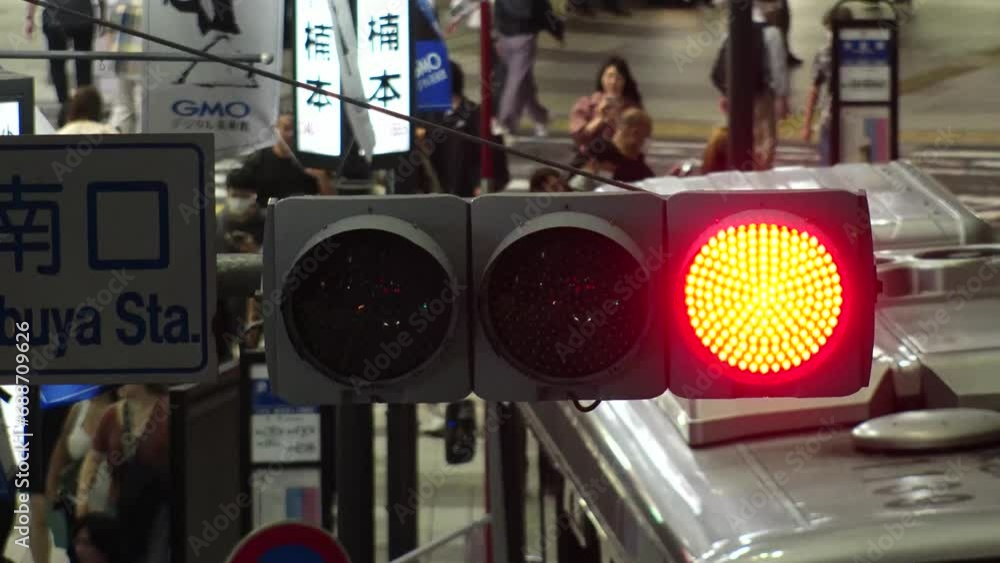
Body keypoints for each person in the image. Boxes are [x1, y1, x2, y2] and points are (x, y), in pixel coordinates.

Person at [77, 385, 171, 563]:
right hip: (119, 508)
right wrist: (82, 498)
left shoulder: (167, 409)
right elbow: (92, 459)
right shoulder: (112, 414)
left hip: (160, 510)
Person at [34, 388, 118, 563]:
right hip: (75, 504)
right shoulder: (79, 408)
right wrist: (52, 486)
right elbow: (62, 448)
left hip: (108, 508)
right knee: (75, 552)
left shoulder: (120, 411)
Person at [427, 61, 510, 197]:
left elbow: (495, 157)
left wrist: (479, 184)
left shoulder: (477, 116)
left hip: (468, 196)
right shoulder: (430, 116)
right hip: (439, 196)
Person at [227, 114, 332, 207]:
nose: (291, 134)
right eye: (286, 128)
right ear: (276, 131)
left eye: (296, 129)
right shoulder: (259, 158)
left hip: (303, 218)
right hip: (267, 219)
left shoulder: (311, 160)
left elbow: (331, 202)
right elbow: (236, 187)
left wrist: (322, 177)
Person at [493, 0, 564, 138]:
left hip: (517, 37)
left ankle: (506, 121)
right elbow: (544, 10)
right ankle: (540, 117)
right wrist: (557, 31)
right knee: (523, 81)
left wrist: (495, 34)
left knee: (516, 80)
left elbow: (542, 9)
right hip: (514, 36)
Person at [26, 0, 102, 126]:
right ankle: (83, 110)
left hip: (57, 17)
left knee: (58, 64)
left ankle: (65, 108)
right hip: (82, 16)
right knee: (82, 65)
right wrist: (102, 17)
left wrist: (29, 17)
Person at [802, 6, 853, 166]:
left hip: (842, 120)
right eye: (828, 29)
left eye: (831, 29)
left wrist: (807, 125)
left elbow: (814, 90)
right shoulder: (824, 54)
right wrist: (807, 124)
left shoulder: (825, 54)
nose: (829, 34)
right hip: (835, 120)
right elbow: (814, 90)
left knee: (830, 168)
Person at [569, 57, 643, 166]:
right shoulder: (586, 104)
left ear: (625, 81)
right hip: (589, 163)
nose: (613, 82)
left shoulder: (632, 108)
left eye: (618, 78)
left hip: (621, 165)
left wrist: (617, 118)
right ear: (602, 78)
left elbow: (637, 141)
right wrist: (600, 118)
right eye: (609, 76)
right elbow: (578, 137)